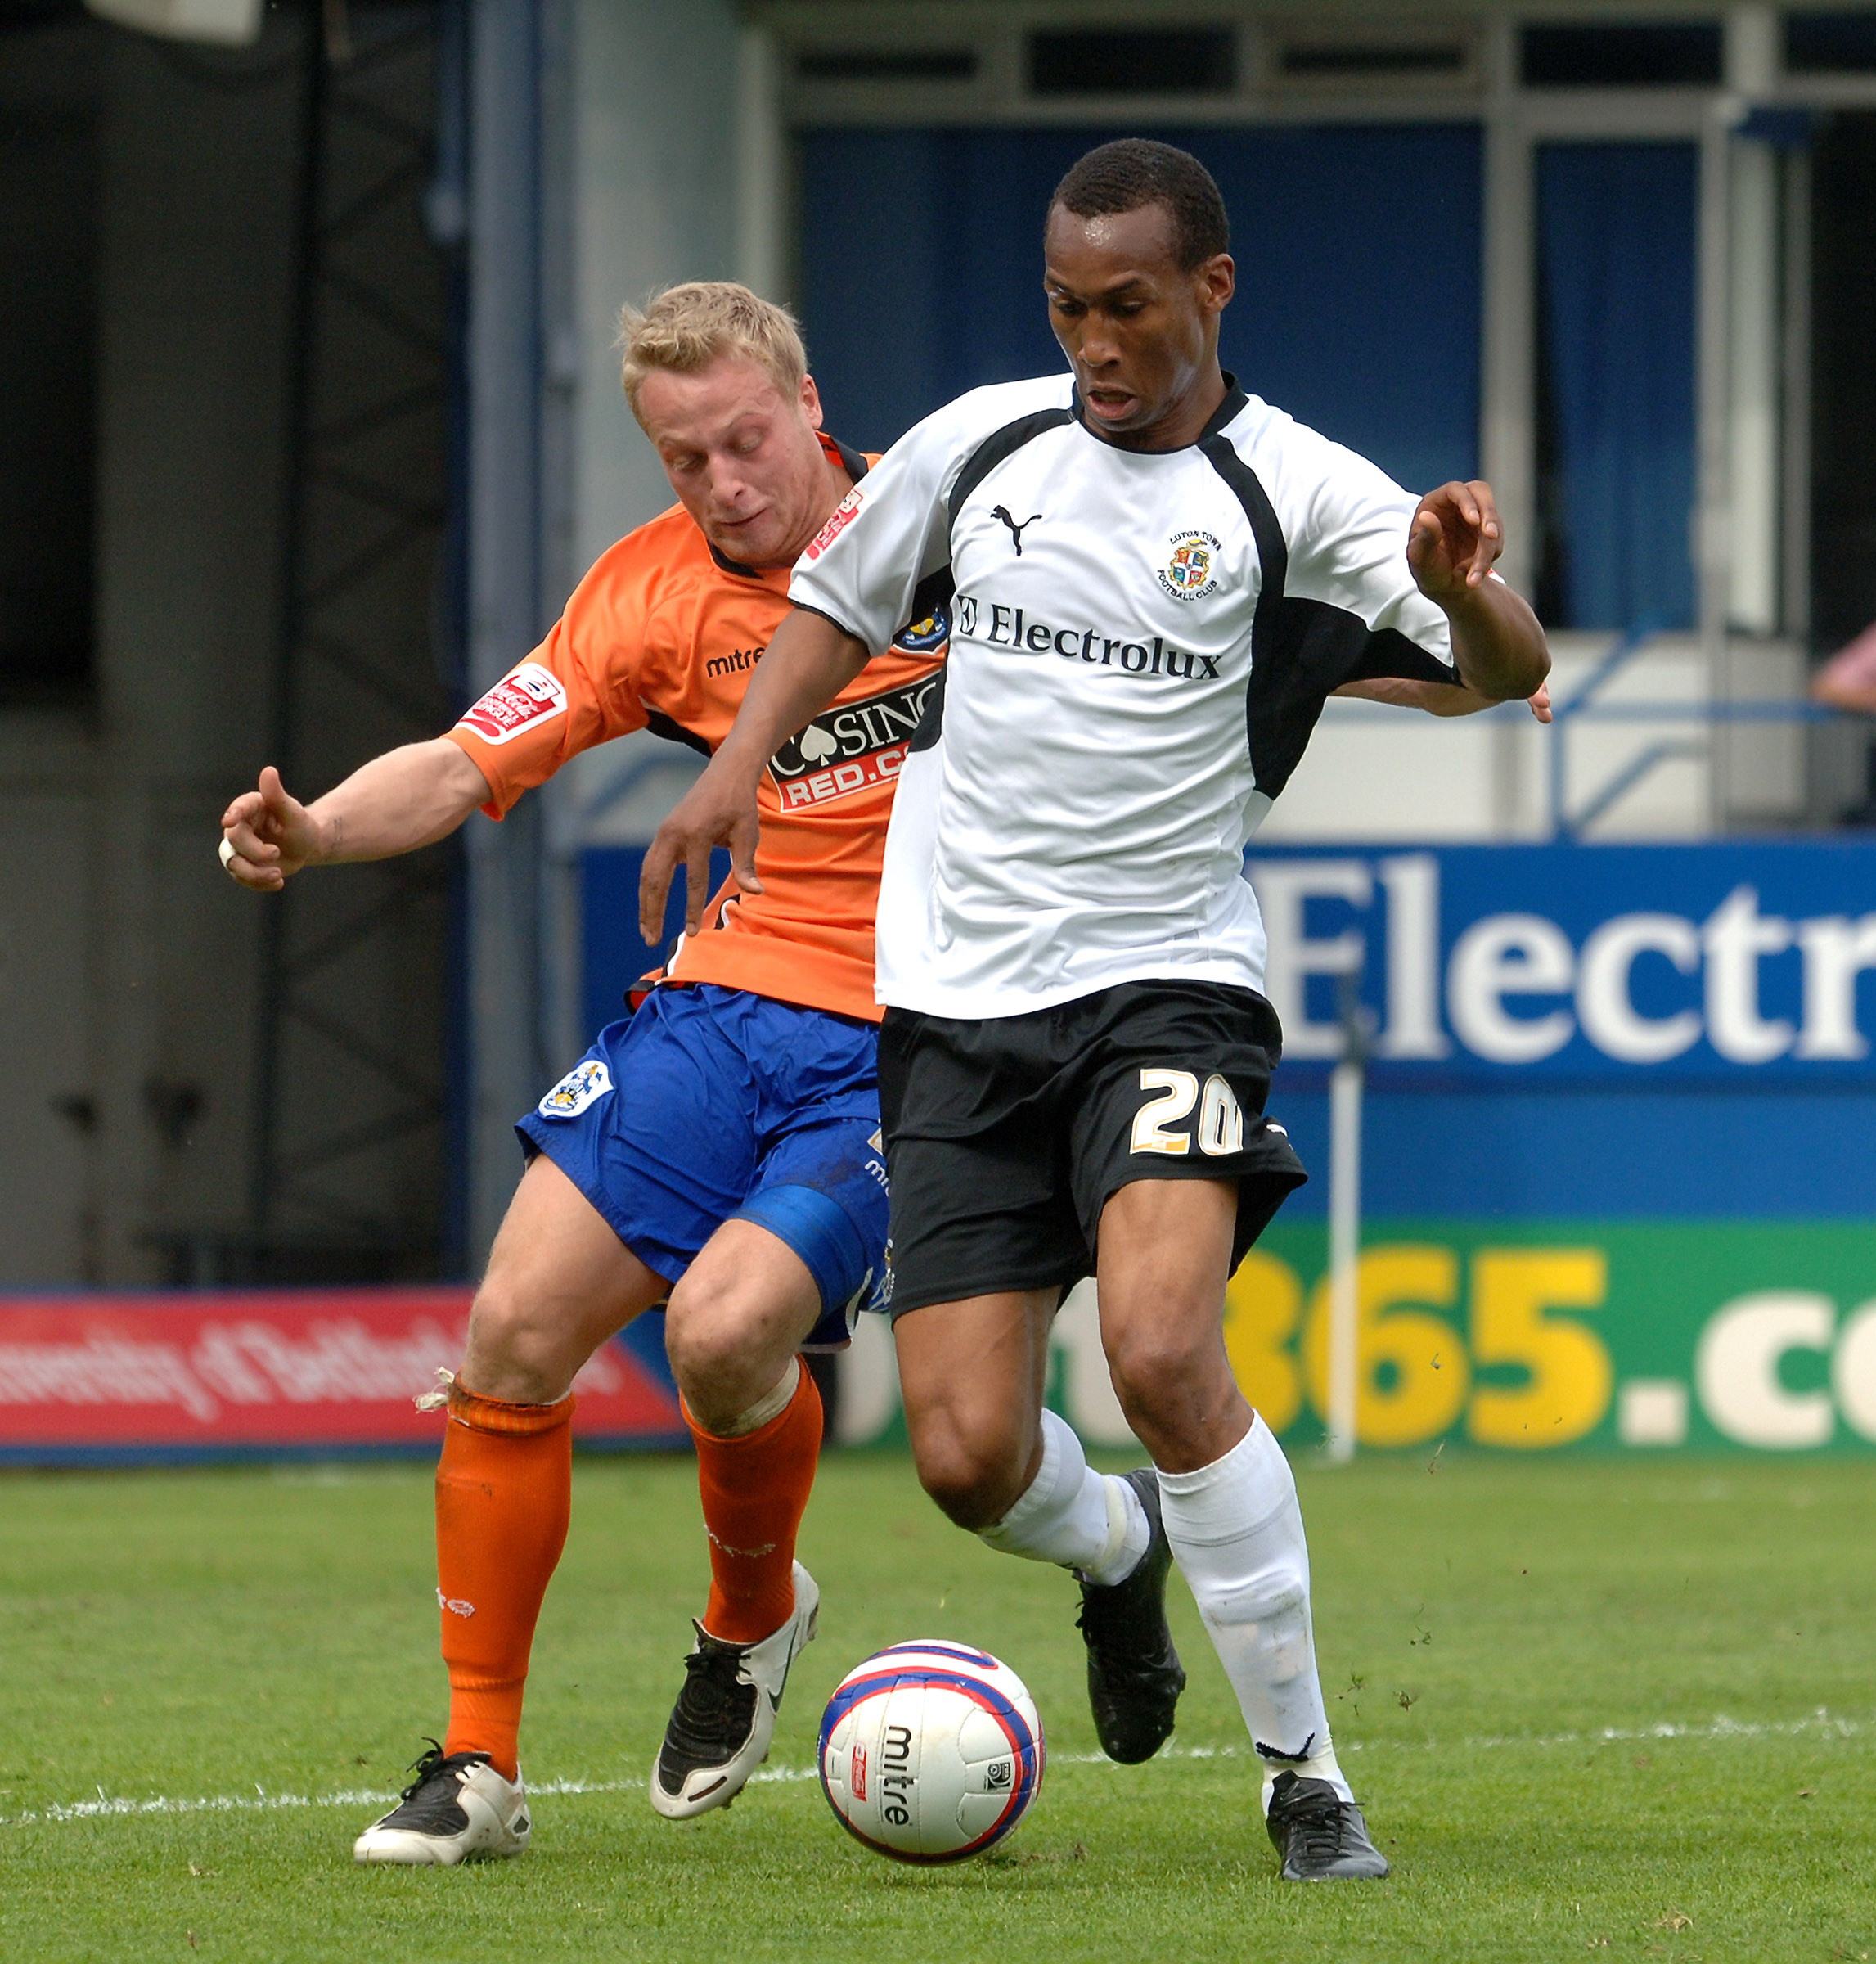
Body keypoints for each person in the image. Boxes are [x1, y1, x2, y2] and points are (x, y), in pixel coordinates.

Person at [644, 141, 1551, 1881]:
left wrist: (1452, 586)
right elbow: (829, 609)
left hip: (1167, 989)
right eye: (1069, 308)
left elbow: (1509, 677)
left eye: (1128, 306)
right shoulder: (977, 446)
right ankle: (1116, 1555)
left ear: (1211, 289)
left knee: (1155, 1346)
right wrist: (732, 774)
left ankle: (1304, 1773)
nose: (1097, 343)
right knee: (966, 1457)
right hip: (956, 1008)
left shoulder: (1302, 489)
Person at [218, 283, 947, 1863]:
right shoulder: (645, 595)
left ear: (808, 402)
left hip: (916, 1036)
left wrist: (1437, 646)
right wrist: (323, 830)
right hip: (720, 1009)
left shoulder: (950, 526)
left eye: (745, 439)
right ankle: (477, 1768)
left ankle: (751, 1614)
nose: (724, 482)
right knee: (509, 1329)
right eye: (684, 459)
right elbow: (469, 756)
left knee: (724, 1332)